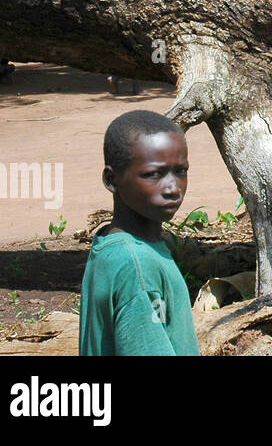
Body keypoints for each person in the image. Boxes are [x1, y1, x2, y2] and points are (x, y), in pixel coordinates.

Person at [79, 110, 200, 356]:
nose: (173, 188)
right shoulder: (136, 265)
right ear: (112, 180)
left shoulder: (114, 246)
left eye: (180, 171)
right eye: (153, 174)